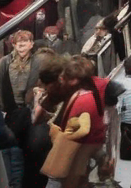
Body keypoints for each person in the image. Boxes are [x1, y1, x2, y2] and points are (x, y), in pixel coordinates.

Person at [45, 56, 106, 188]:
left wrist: (59, 135)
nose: (61, 78)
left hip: (75, 154)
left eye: (64, 76)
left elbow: (81, 131)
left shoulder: (83, 101)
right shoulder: (90, 91)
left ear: (73, 80)